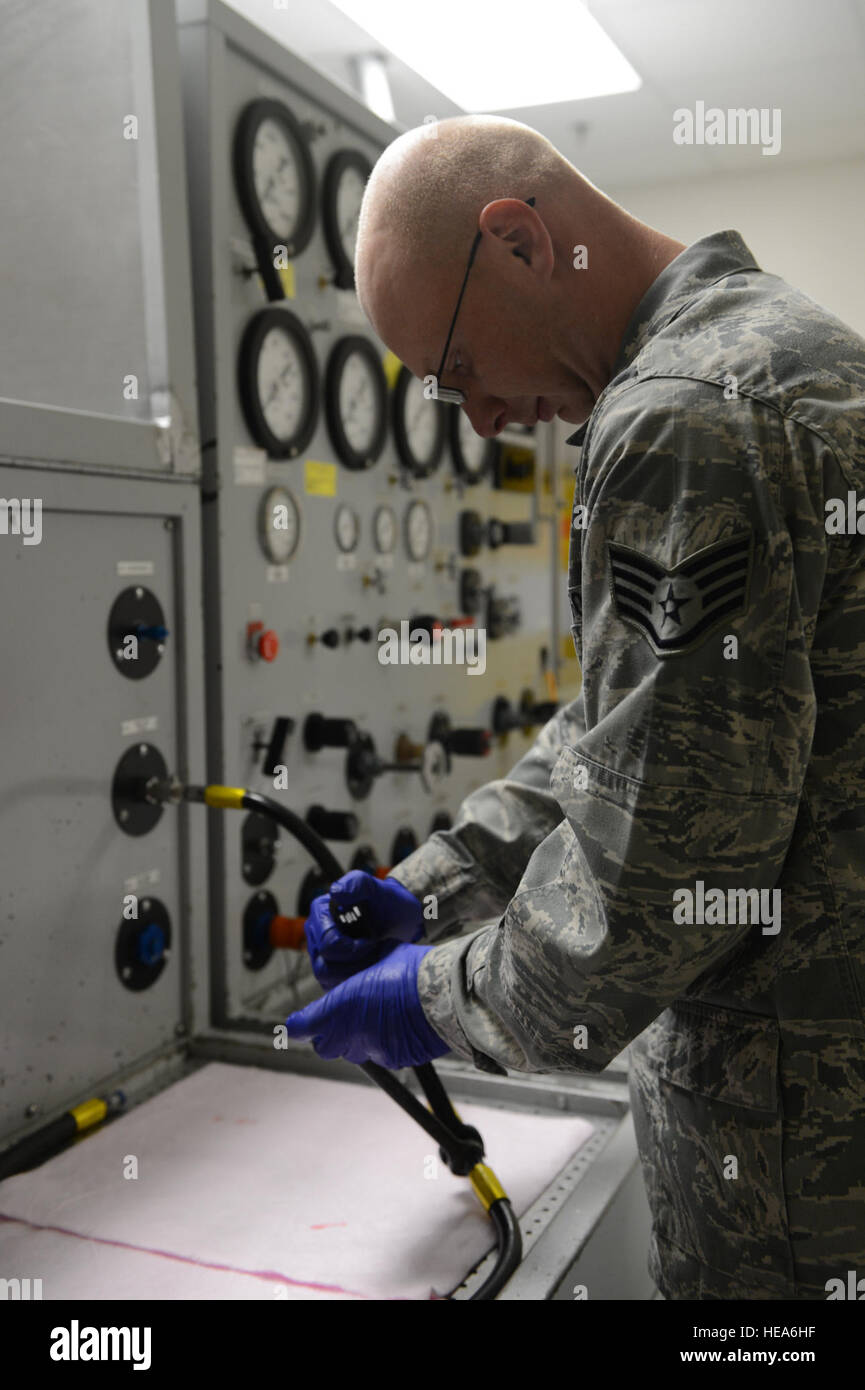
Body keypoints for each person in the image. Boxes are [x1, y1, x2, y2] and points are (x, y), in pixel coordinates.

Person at [285, 115, 865, 1300]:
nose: (483, 418)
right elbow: (634, 735)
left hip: (804, 1176)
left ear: (515, 242)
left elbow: (647, 897)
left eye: (454, 371)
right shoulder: (763, 352)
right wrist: (435, 880)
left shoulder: (682, 418)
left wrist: (426, 999)